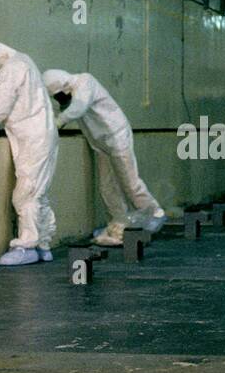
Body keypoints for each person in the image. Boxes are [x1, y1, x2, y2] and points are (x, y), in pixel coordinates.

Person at [41, 69, 165, 246]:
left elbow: (78, 108)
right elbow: (65, 109)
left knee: (129, 181)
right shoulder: (70, 94)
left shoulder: (85, 83)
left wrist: (57, 123)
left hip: (117, 136)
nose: (59, 100)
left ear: (64, 86)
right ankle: (119, 222)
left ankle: (154, 213)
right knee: (107, 186)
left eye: (59, 95)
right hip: (101, 144)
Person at [0, 36, 59, 266]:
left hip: (33, 139)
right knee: (39, 193)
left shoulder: (11, 68)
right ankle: (43, 245)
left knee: (25, 194)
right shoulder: (24, 61)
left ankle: (27, 246)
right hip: (44, 137)